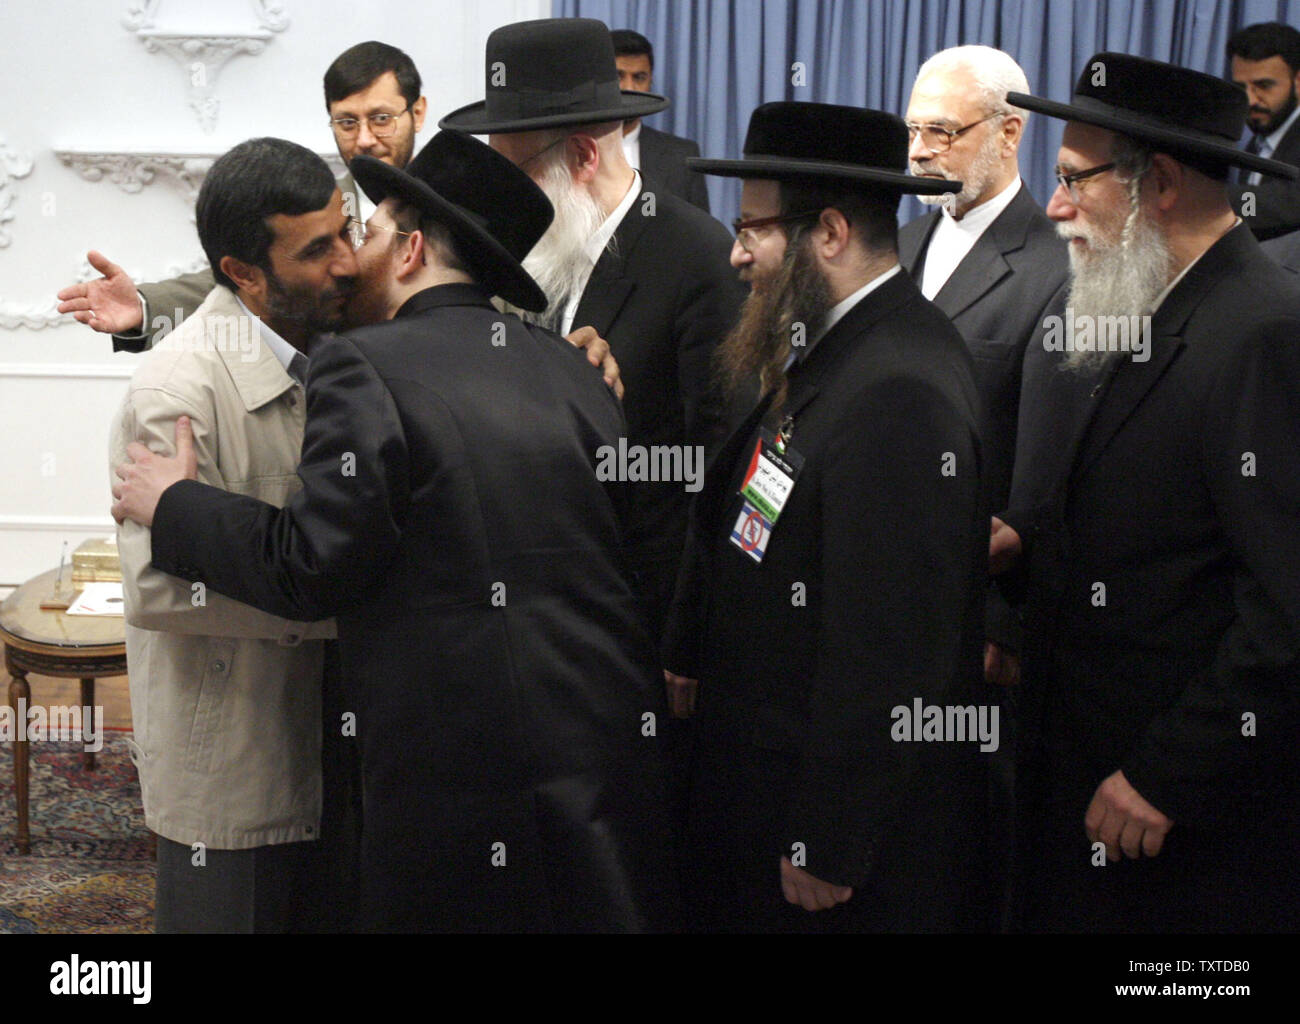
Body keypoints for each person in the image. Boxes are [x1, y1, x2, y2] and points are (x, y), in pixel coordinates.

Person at [111, 129, 679, 933]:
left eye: (364, 232)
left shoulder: (366, 365)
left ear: (410, 251)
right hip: (604, 756)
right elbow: (638, 550)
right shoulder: (572, 369)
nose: (350, 259)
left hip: (455, 771)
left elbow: (317, 562)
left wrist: (175, 505)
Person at [662, 101, 988, 933]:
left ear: (830, 233)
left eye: (753, 232)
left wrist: (828, 838)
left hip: (827, 847)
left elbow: (888, 650)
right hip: (759, 781)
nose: (736, 257)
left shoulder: (899, 386)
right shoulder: (834, 350)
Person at [997, 52, 1300, 932]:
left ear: (1159, 182)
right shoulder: (1148, 300)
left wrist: (1170, 773)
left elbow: (1286, 605)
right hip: (1083, 775)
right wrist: (1025, 541)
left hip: (1181, 821)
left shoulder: (1262, 333)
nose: (1054, 208)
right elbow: (1152, 519)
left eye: (1071, 180)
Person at [111, 137, 355, 932]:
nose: (348, 262)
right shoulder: (176, 387)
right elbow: (156, 592)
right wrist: (336, 604)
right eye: (318, 250)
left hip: (339, 755)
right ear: (243, 273)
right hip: (234, 766)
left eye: (345, 232)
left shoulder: (342, 351)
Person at [441, 17, 744, 642]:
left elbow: (713, 467)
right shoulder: (531, 249)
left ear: (581, 157)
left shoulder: (695, 256)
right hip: (543, 614)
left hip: (642, 613)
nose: (505, 198)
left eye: (517, 173)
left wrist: (687, 640)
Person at [901, 44, 1070, 930]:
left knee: (969, 856)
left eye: (941, 131)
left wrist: (1005, 624)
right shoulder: (898, 244)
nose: (920, 151)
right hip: (882, 605)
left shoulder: (1055, 269)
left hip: (979, 628)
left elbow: (1042, 487)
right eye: (913, 130)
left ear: (1010, 133)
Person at [58, 41, 426, 352]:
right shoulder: (320, 207)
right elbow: (244, 280)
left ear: (418, 113)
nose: (363, 138)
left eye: (381, 119)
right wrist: (144, 307)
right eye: (347, 122)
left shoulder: (458, 204)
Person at [610, 28, 711, 212]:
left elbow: (701, 236)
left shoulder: (682, 156)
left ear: (651, 83)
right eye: (619, 76)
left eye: (639, 78)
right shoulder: (570, 151)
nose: (629, 87)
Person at [1227, 22, 1300, 240]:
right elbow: (1254, 210)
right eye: (1241, 88)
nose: (1250, 100)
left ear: (1298, 81)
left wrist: (1208, 198)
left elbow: (1290, 202)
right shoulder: (1258, 141)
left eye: (1264, 85)